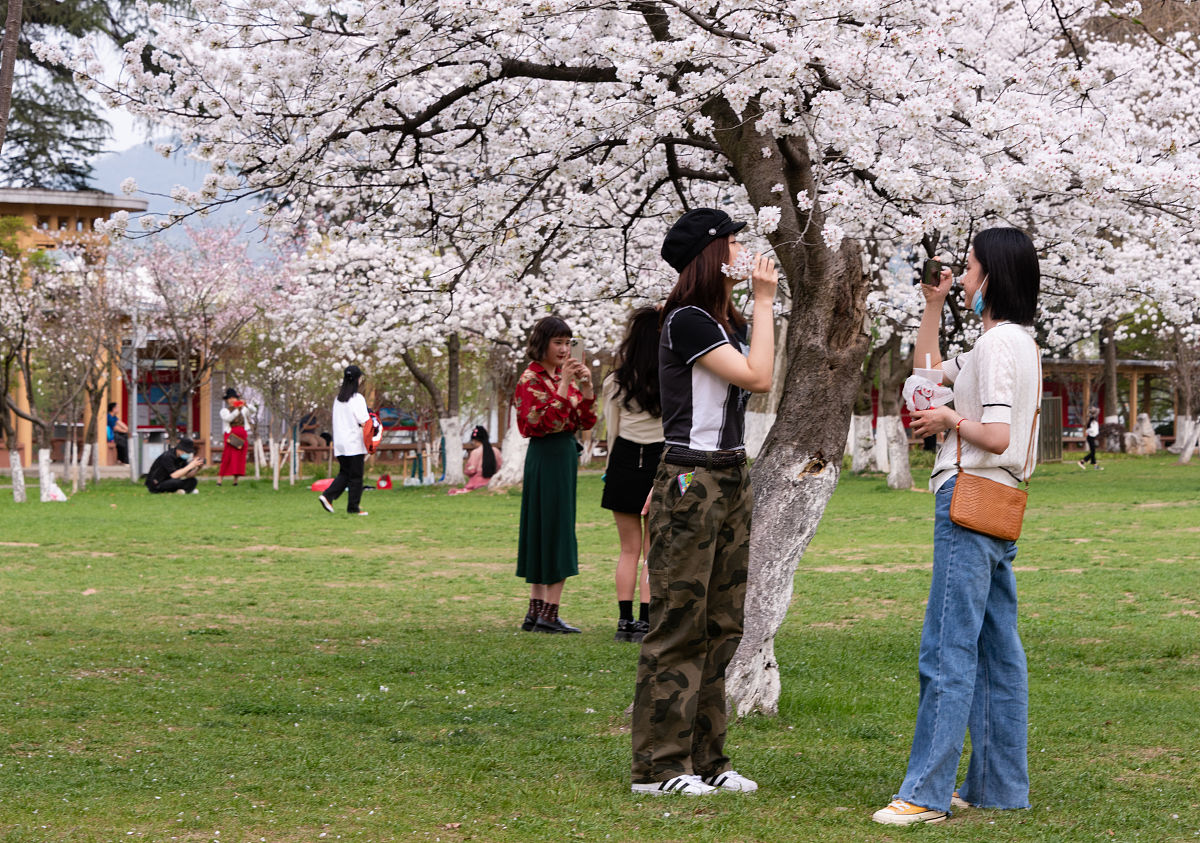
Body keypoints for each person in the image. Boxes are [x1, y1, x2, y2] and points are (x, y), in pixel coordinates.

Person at [873, 227, 1042, 825]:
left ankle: (925, 793)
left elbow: (992, 434)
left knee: (948, 645)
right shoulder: (1016, 344)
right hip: (1002, 504)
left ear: (992, 275)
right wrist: (934, 306)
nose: (963, 277)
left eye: (968, 270)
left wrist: (948, 418)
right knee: (998, 650)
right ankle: (999, 786)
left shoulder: (997, 346)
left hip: (968, 499)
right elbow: (927, 376)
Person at [630, 207, 778, 797]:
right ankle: (660, 769)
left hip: (730, 476)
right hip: (692, 481)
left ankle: (707, 761)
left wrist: (755, 309)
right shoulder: (687, 319)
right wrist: (764, 302)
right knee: (679, 626)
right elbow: (759, 377)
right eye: (734, 242)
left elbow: (755, 372)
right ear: (711, 255)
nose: (743, 251)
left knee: (722, 625)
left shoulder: (719, 320)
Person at [514, 316, 596, 634]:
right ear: (543, 344)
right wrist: (563, 385)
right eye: (557, 343)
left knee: (551, 526)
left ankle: (538, 612)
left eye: (568, 343)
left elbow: (586, 421)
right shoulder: (530, 379)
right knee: (547, 529)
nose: (564, 349)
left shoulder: (566, 377)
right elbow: (539, 422)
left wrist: (585, 385)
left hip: (563, 456)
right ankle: (547, 612)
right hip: (544, 455)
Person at [601, 306, 664, 643]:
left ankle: (624, 622)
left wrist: (610, 470)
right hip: (660, 461)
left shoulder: (615, 381)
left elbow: (612, 432)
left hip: (624, 459)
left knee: (628, 549)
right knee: (654, 550)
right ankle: (646, 620)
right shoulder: (672, 376)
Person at [318, 365, 371, 516]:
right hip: (354, 442)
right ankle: (353, 507)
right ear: (357, 379)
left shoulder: (338, 399)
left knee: (345, 473)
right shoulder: (357, 399)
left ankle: (328, 496)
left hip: (340, 443)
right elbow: (363, 420)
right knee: (356, 477)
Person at [448, 425, 502, 495]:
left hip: (476, 483)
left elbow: (471, 470)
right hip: (492, 482)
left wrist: (466, 470)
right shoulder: (496, 451)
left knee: (452, 491)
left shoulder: (475, 452)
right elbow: (500, 467)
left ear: (474, 440)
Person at [217, 387, 253, 486]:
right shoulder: (224, 410)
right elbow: (228, 419)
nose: (232, 400)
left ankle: (235, 480)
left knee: (239, 459)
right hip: (231, 436)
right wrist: (237, 410)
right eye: (230, 398)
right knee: (227, 457)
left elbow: (253, 410)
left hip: (242, 435)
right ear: (227, 400)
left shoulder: (244, 409)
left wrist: (246, 404)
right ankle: (220, 479)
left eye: (234, 398)